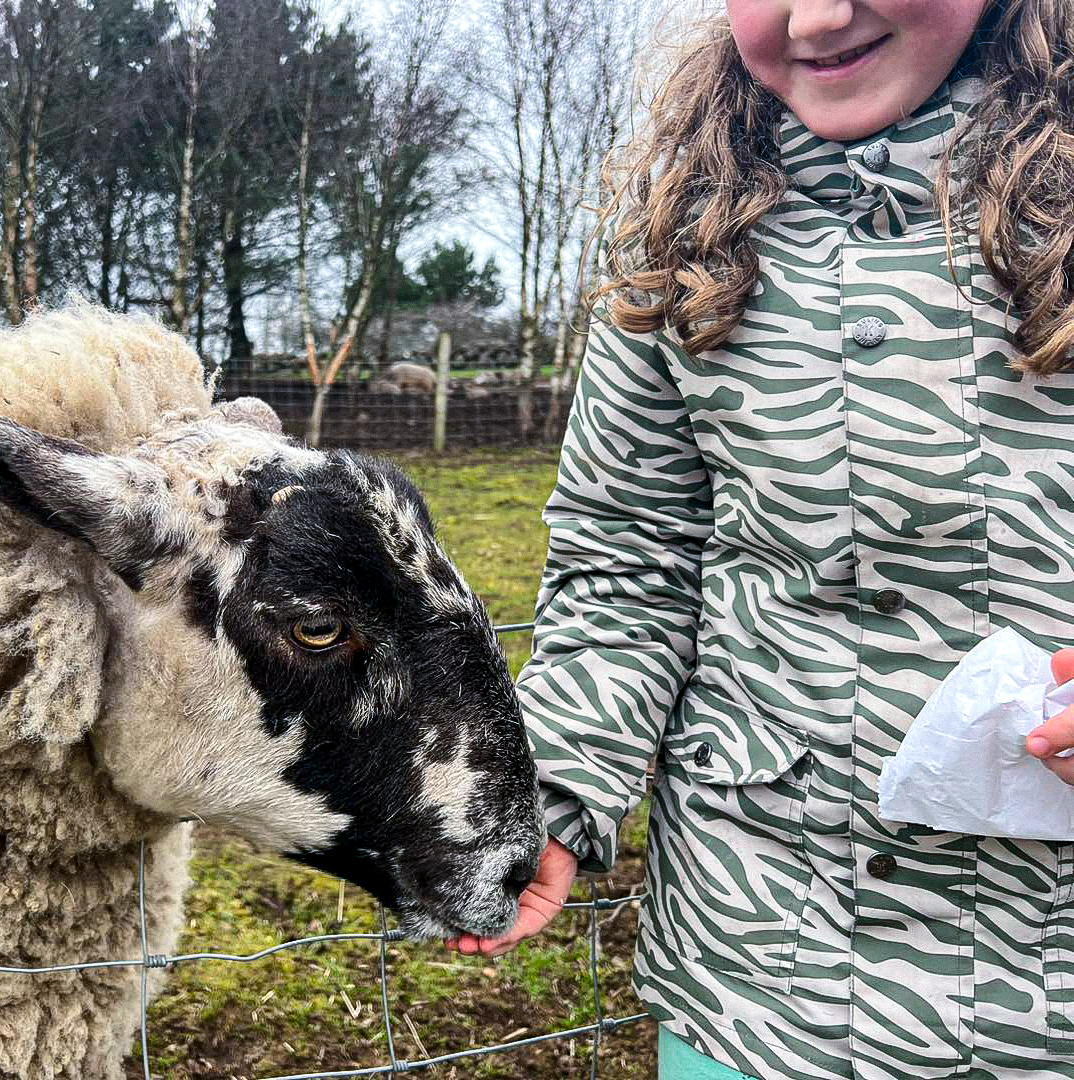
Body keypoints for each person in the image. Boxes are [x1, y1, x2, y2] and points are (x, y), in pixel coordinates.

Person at [445, 2, 1074, 1078]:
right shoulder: (677, 234)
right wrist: (547, 794)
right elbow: (627, 556)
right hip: (750, 984)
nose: (820, 15)